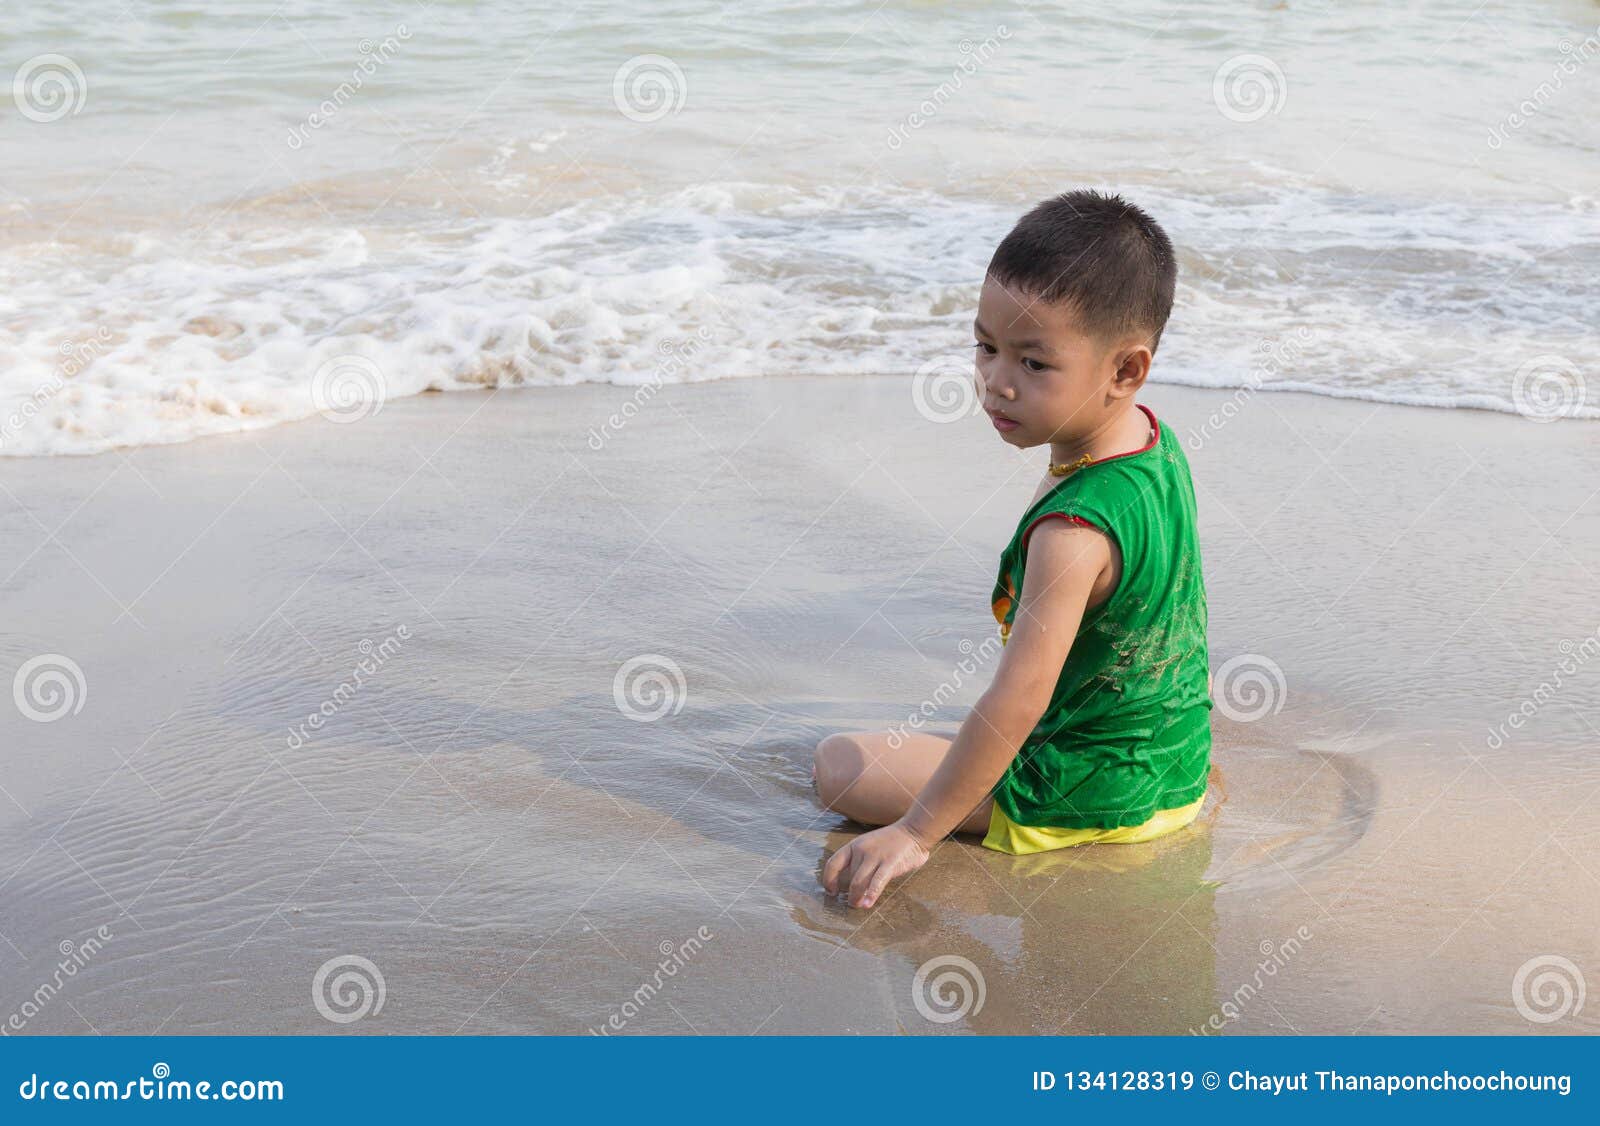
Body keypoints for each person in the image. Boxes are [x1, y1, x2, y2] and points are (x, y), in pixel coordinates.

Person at [814, 189, 1213, 908]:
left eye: (1034, 364)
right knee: (923, 739)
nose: (997, 382)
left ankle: (1034, 815)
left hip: (1095, 790)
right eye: (987, 346)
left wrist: (915, 832)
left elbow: (1019, 697)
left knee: (840, 765)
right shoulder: (1152, 441)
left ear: (1126, 371)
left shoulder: (1071, 536)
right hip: (1175, 760)